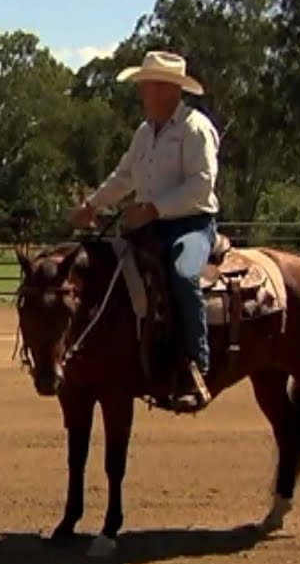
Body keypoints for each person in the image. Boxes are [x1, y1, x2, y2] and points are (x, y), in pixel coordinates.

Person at [70, 50, 221, 413]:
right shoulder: (144, 133)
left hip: (192, 225)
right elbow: (124, 177)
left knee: (183, 273)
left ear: (169, 90)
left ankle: (195, 366)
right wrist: (93, 204)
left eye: (148, 87)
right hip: (148, 226)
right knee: (105, 270)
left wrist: (154, 208)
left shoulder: (194, 129)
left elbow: (202, 185)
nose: (142, 94)